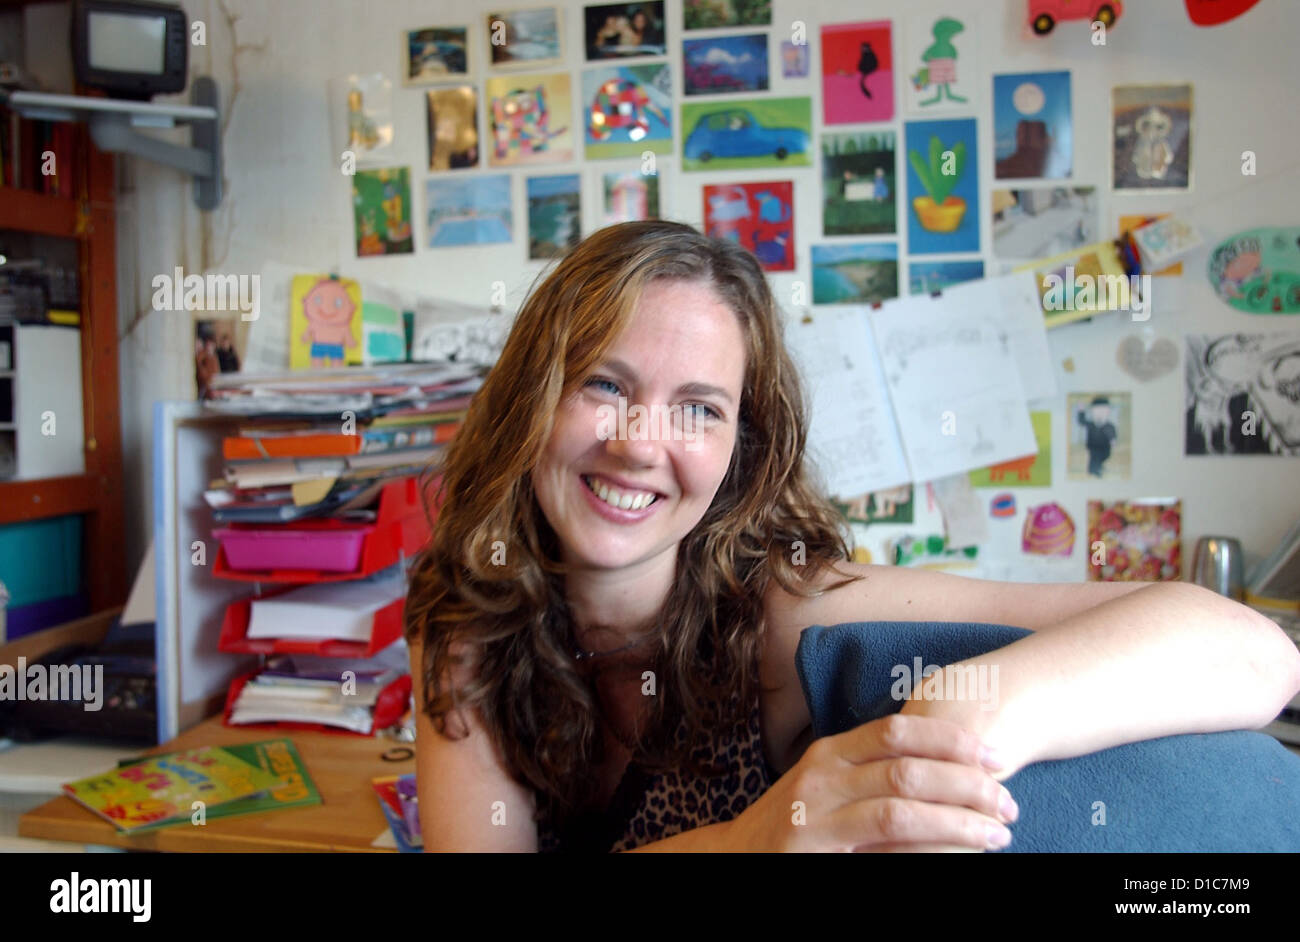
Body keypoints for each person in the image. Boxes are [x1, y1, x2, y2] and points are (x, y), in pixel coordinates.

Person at [404, 220, 1300, 853]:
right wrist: (754, 840)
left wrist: (965, 717)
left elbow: (1253, 653)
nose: (642, 444)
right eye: (603, 383)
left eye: (699, 409)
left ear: (739, 453)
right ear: (532, 395)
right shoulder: (472, 617)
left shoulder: (785, 615)